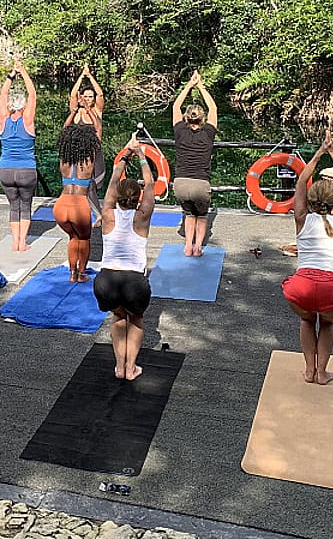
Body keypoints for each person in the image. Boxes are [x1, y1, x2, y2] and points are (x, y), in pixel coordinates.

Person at [282, 132, 333, 385]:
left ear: (311, 202)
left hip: (300, 286)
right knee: (327, 324)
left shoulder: (301, 217)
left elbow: (301, 183)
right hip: (329, 288)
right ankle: (322, 373)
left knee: (306, 319)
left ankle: (309, 370)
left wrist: (318, 154)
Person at [96, 135, 158, 381]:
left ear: (119, 197)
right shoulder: (142, 216)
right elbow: (150, 185)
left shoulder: (108, 214)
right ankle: (131, 368)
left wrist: (125, 155)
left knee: (118, 316)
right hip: (133, 281)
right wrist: (142, 155)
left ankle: (119, 367)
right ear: (137, 198)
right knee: (137, 320)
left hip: (106, 280)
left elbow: (112, 182)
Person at [171, 71, 218, 256]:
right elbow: (213, 108)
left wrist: (189, 86)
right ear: (202, 118)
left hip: (181, 183)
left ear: (186, 118)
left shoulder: (180, 130)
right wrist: (201, 86)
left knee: (189, 214)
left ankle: (187, 246)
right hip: (200, 183)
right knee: (202, 216)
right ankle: (198, 247)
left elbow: (176, 105)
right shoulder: (208, 133)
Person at [55, 105, 101, 283]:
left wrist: (73, 112)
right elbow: (98, 128)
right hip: (79, 205)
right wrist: (89, 110)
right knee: (85, 238)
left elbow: (65, 129)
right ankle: (81, 273)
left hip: (61, 205)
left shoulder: (64, 158)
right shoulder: (89, 157)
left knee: (72, 237)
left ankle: (72, 273)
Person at [0, 59, 38, 251]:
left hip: (5, 169)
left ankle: (14, 243)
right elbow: (33, 94)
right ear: (22, 107)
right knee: (26, 205)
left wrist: (12, 74)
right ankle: (23, 242)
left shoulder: (3, 121)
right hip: (26, 169)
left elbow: (3, 94)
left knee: (14, 206)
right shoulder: (28, 120)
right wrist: (23, 72)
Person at [69, 63, 106, 213]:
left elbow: (101, 95)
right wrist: (81, 76)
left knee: (92, 185)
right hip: (77, 153)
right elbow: (73, 95)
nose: (88, 99)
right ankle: (80, 211)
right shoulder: (77, 112)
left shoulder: (97, 111)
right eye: (86, 96)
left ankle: (96, 213)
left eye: (91, 97)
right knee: (78, 183)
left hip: (93, 154)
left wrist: (90, 76)